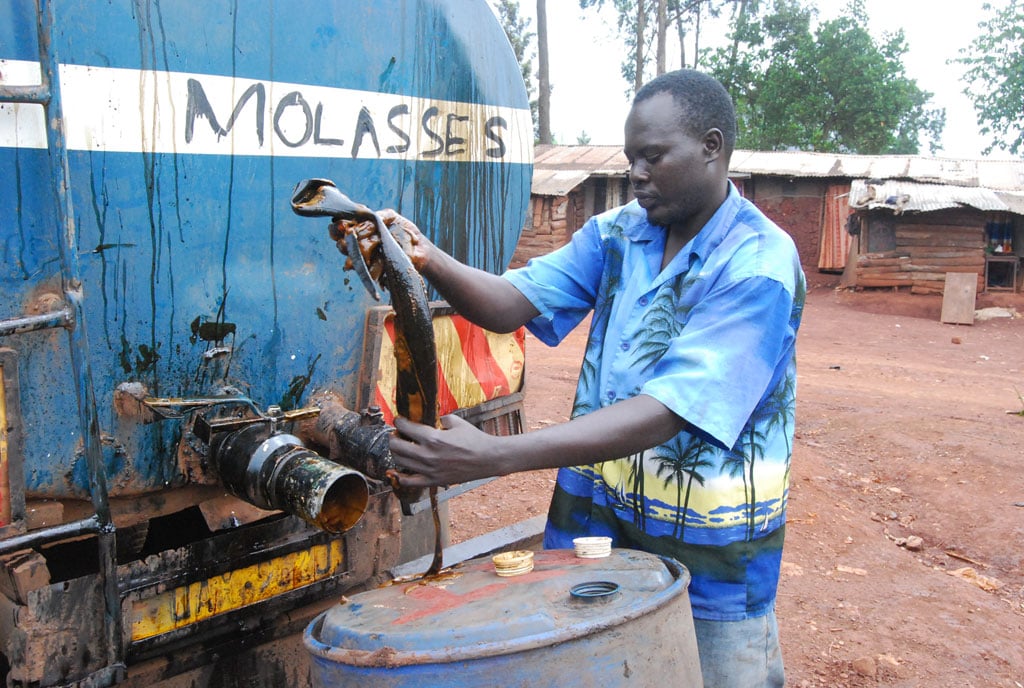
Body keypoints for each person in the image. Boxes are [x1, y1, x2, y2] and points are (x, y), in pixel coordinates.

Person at [334, 69, 805, 688]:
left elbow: (670, 410)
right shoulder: (619, 235)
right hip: (595, 527)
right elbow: (510, 303)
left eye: (654, 157)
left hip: (708, 551)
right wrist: (423, 255)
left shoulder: (759, 264)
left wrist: (496, 456)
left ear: (712, 147)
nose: (636, 174)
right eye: (633, 158)